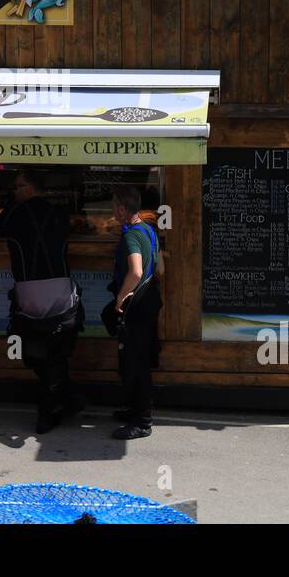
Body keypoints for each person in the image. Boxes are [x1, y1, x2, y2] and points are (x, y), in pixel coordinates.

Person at [0, 169, 83, 433]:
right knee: (56, 349)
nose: (14, 191)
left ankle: (52, 408)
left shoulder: (13, 212)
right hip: (61, 287)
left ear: (30, 188)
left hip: (29, 291)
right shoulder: (59, 212)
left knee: (38, 350)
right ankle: (65, 399)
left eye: (18, 186)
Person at [108, 186, 161, 441]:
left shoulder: (130, 236)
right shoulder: (149, 229)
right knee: (139, 358)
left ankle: (143, 421)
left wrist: (121, 296)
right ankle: (134, 410)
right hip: (150, 301)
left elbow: (136, 271)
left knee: (136, 362)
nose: (111, 210)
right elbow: (160, 267)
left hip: (136, 306)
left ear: (121, 208)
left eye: (113, 205)